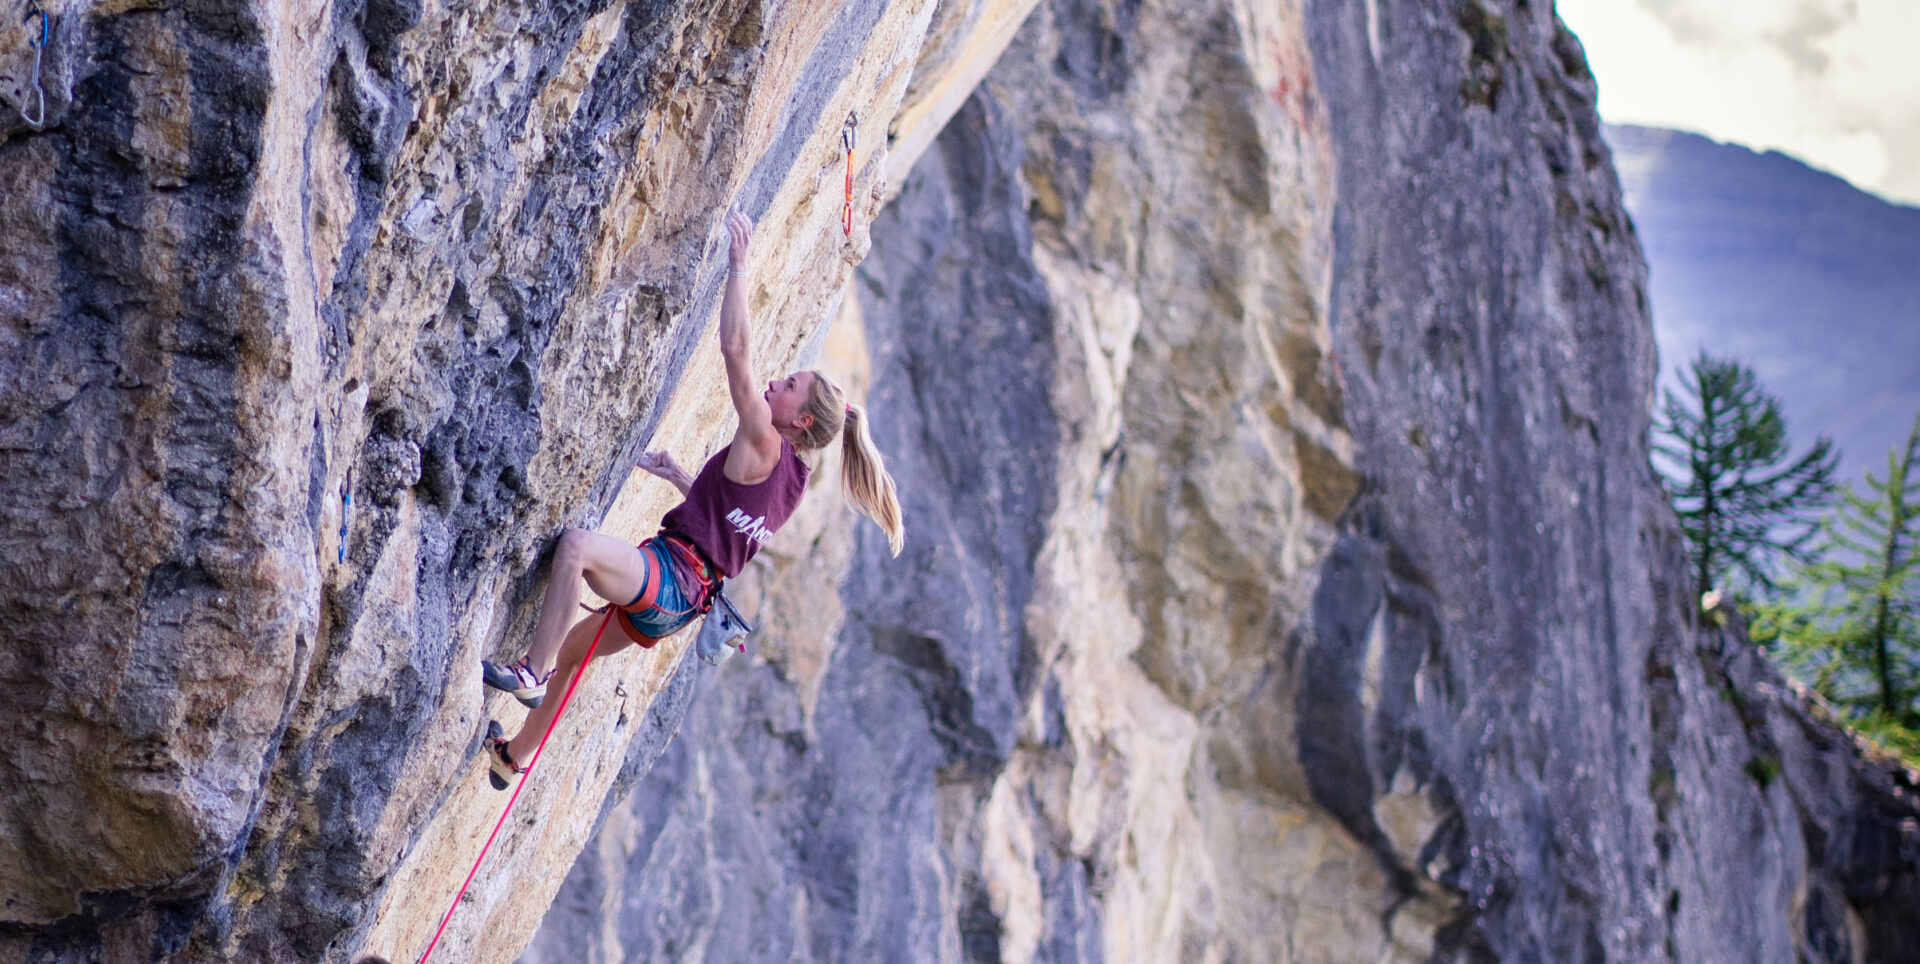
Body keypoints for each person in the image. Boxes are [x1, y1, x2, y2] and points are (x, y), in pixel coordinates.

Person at [478, 209, 904, 788]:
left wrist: (737, 266)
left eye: (789, 386)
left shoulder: (762, 434)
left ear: (800, 419)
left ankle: (530, 670)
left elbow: (735, 352)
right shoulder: (793, 483)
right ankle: (514, 756)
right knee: (577, 654)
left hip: (668, 576)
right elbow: (728, 529)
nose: (776, 383)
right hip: (680, 604)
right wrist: (683, 478)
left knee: (576, 549)